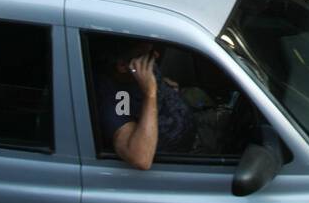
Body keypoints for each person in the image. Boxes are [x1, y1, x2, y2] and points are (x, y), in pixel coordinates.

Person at [97, 40, 232, 170]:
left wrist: (164, 84)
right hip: (188, 155)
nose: (156, 56)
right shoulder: (120, 98)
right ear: (122, 66)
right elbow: (141, 158)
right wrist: (150, 93)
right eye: (149, 55)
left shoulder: (140, 69)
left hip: (196, 123)